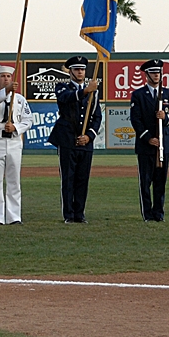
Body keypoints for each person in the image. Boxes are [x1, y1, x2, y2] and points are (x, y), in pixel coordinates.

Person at [49, 55, 101, 223]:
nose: (80, 72)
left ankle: (80, 213)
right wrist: (86, 91)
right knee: (68, 179)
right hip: (67, 140)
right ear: (70, 71)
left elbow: (97, 117)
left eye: (82, 69)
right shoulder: (62, 87)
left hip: (85, 142)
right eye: (77, 69)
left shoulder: (93, 93)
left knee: (82, 179)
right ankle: (69, 215)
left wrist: (89, 136)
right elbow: (66, 98)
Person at [0, 65, 33, 225]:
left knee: (14, 180)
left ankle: (14, 216)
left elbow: (28, 120)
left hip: (14, 142)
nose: (5, 79)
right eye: (2, 76)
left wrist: (16, 127)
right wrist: (6, 91)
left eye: (8, 76)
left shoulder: (20, 99)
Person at [131, 58, 169, 221]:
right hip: (146, 145)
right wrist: (148, 138)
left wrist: (165, 117)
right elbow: (136, 120)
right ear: (146, 75)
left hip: (163, 144)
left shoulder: (168, 94)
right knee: (145, 182)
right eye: (153, 72)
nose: (156, 75)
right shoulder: (138, 95)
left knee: (160, 181)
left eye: (158, 72)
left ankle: (159, 213)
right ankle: (147, 214)